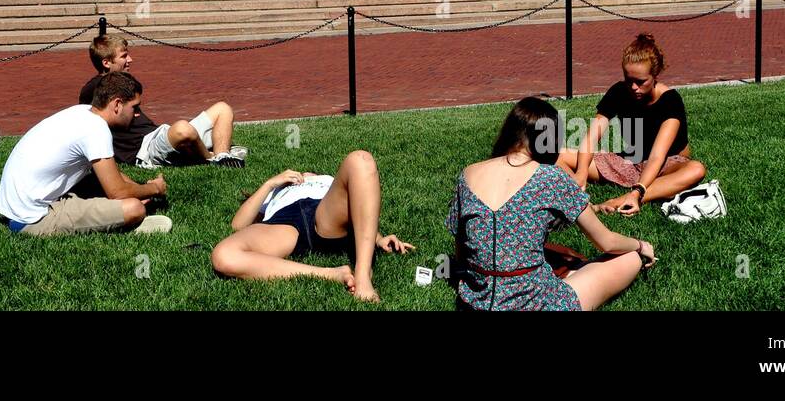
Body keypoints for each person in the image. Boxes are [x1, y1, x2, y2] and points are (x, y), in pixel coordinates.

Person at [447, 98, 654, 311]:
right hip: (536, 305)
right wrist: (639, 245)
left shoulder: (468, 174)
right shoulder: (550, 178)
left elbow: (462, 250)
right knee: (629, 258)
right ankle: (575, 272)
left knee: (546, 253)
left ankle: (568, 271)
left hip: (474, 303)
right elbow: (607, 242)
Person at [211, 151, 414, 303]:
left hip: (324, 212)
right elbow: (238, 225)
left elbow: (359, 206)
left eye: (306, 173)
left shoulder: (326, 181)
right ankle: (331, 274)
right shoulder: (275, 191)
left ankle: (362, 276)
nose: (301, 175)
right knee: (224, 255)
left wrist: (379, 238)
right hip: (283, 222)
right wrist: (271, 184)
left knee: (361, 160)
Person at [0, 71, 172, 237]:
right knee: (134, 208)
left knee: (108, 188)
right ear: (117, 104)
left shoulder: (82, 113)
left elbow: (109, 174)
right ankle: (128, 223)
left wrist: (138, 190)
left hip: (16, 206)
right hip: (30, 219)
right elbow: (117, 192)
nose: (137, 114)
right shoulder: (96, 130)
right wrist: (155, 189)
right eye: (135, 107)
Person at [557, 34, 707, 213]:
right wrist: (581, 172)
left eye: (641, 82)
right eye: (629, 81)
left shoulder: (670, 100)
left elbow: (657, 156)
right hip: (629, 161)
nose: (634, 87)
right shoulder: (619, 92)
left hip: (666, 165)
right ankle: (577, 199)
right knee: (554, 154)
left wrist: (637, 191)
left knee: (696, 169)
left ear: (655, 75)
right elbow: (593, 134)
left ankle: (621, 199)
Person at [79, 36, 246, 168]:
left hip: (158, 134)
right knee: (182, 129)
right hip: (144, 150)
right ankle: (211, 157)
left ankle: (223, 155)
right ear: (106, 63)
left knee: (223, 108)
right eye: (124, 56)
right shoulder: (95, 89)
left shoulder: (120, 82)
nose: (130, 59)